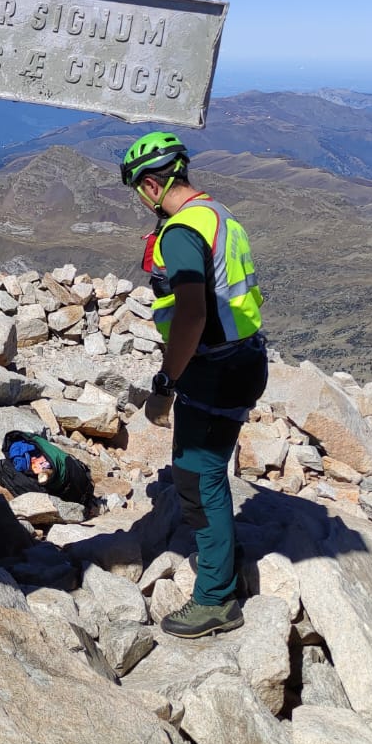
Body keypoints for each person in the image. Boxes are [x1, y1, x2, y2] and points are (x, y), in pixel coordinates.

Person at [121, 131, 268, 639]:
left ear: (151, 184)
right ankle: (225, 561)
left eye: (138, 190)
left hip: (213, 368)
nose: (141, 200)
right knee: (208, 470)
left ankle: (215, 600)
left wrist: (166, 382)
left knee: (197, 478)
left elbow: (191, 312)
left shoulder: (181, 231)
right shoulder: (217, 214)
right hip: (244, 357)